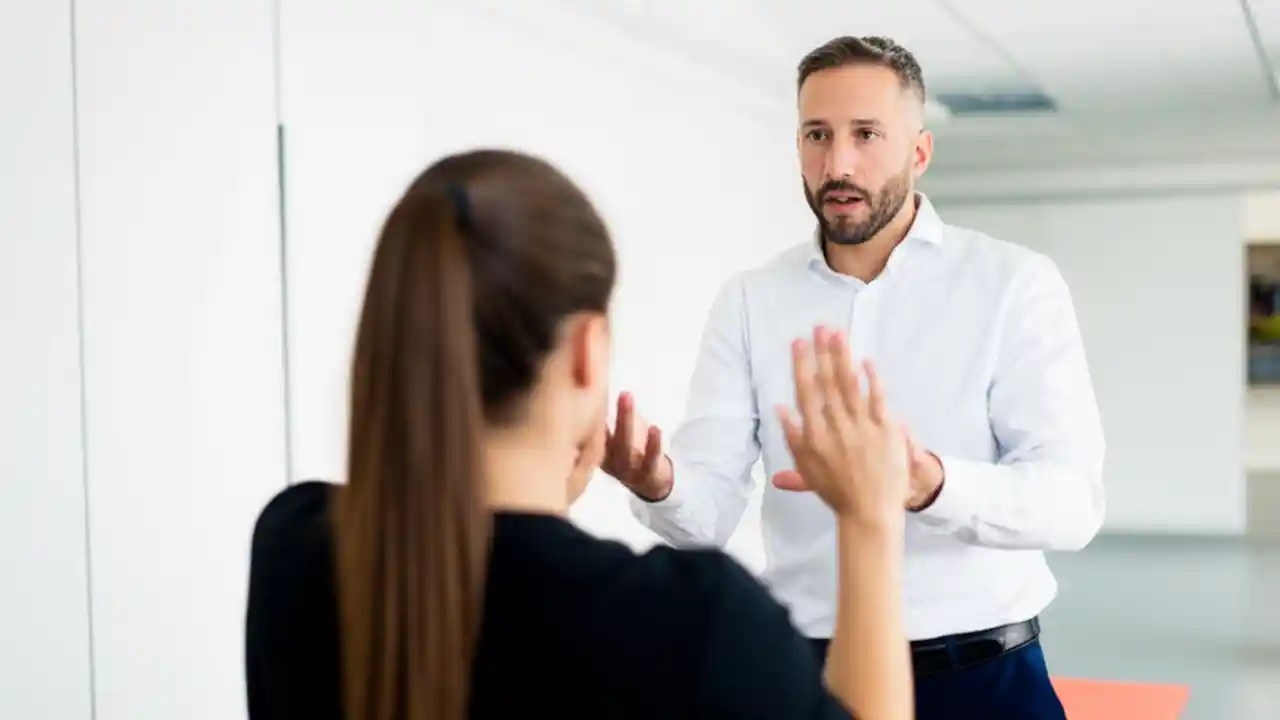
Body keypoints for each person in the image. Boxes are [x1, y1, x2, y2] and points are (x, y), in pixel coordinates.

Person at [244, 149, 916, 719]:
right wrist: (870, 520)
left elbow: (491, 596)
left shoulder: (295, 544)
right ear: (588, 349)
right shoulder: (694, 622)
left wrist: (548, 502)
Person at [604, 36, 1105, 719]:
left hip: (986, 680)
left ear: (919, 152)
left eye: (866, 134)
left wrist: (927, 481)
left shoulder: (1013, 284)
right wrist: (659, 484)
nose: (837, 162)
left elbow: (1072, 504)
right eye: (817, 134)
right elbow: (705, 517)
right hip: (813, 677)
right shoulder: (751, 299)